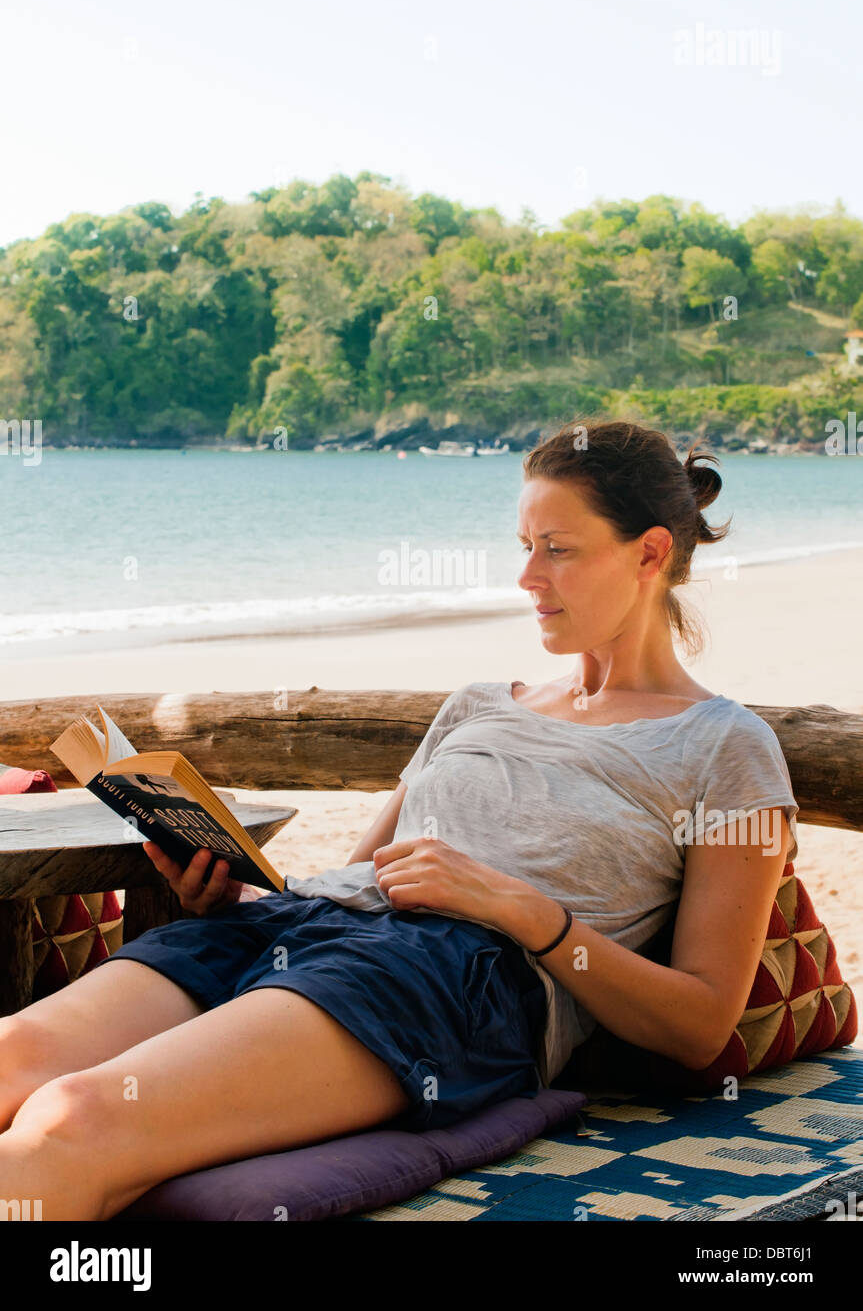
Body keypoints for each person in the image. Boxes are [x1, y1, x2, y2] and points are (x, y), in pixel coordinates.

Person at [0, 419, 799, 1220]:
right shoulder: (476, 704)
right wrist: (229, 895)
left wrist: (523, 912)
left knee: (77, 1118)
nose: (526, 576)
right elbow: (358, 878)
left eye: (557, 549)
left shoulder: (725, 746)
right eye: (522, 545)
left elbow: (700, 1024)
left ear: (650, 554)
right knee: (13, 1063)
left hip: (454, 976)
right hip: (299, 927)